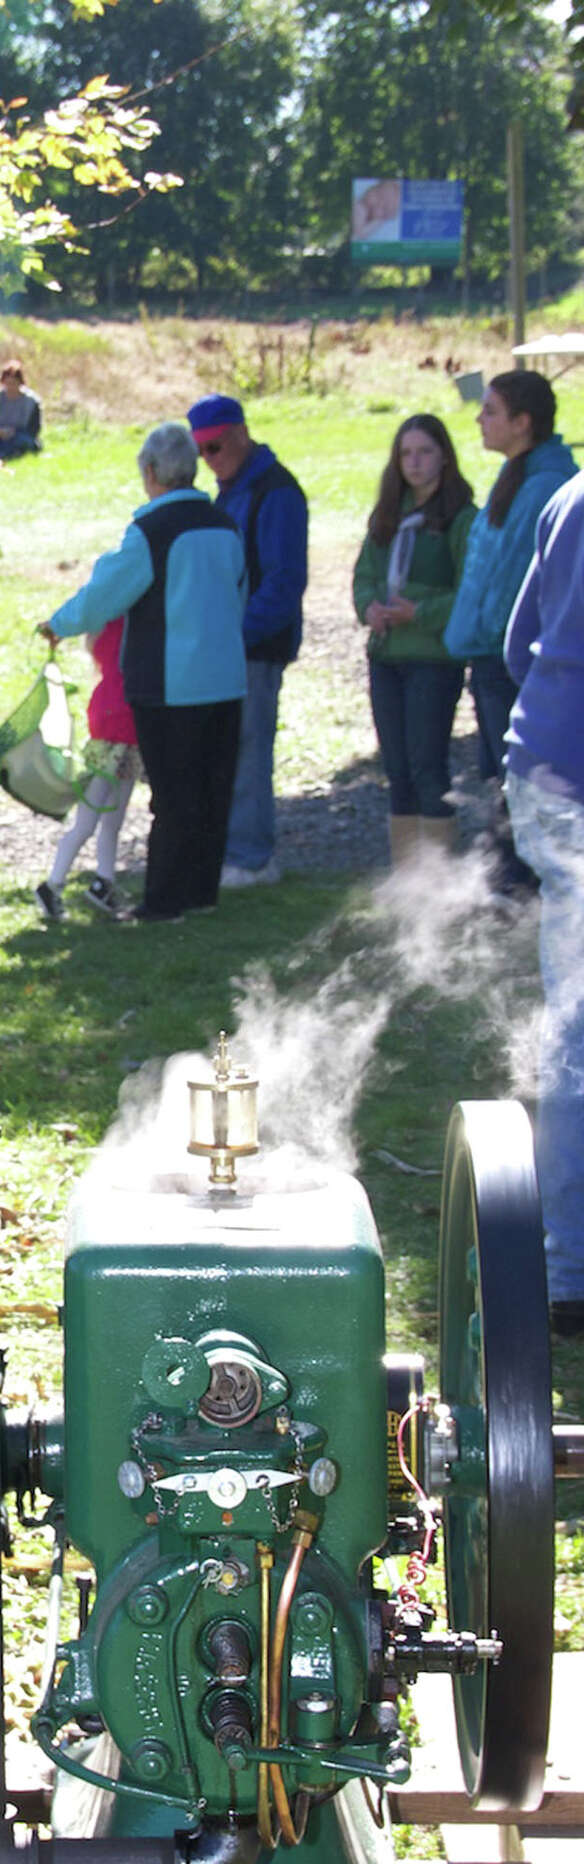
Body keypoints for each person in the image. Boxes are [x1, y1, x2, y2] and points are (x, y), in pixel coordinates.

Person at [41, 422, 246, 921]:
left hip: (171, 683)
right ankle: (201, 893)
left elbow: (103, 595)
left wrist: (59, 624)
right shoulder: (224, 525)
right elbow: (240, 589)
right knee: (210, 791)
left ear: (150, 473)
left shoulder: (150, 532)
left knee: (173, 798)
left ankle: (164, 901)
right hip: (224, 678)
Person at [444, 370, 577, 894]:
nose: (480, 417)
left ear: (523, 423)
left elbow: (514, 587)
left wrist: (492, 641)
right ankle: (507, 882)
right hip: (492, 654)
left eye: (492, 410)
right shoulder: (518, 477)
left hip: (509, 660)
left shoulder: (546, 487)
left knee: (517, 782)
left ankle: (516, 886)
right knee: (505, 779)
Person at [504, 470, 584, 1336]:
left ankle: (567, 1265)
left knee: (575, 1019)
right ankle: (568, 1265)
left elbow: (514, 642)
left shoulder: (568, 494)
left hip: (549, 764)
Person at [186, 393, 307, 889]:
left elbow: (283, 582)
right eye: (201, 452)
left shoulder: (275, 491)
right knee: (226, 750)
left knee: (250, 751)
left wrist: (234, 637)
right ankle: (231, 852)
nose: (209, 461)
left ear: (240, 434)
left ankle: (253, 859)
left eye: (215, 448)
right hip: (227, 647)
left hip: (254, 648)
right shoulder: (231, 487)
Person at [352, 415, 475, 865]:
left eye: (424, 452)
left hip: (432, 660)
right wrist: (370, 607)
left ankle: (440, 876)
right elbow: (364, 574)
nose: (415, 463)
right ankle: (407, 877)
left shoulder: (462, 518)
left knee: (428, 766)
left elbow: (469, 594)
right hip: (386, 658)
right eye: (406, 453)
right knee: (397, 769)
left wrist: (418, 610)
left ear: (444, 454)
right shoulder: (388, 515)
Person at [34, 616, 141, 921]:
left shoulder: (107, 624)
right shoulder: (125, 622)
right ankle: (52, 884)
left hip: (119, 724)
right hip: (119, 725)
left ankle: (103, 882)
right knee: (90, 818)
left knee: (109, 816)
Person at [0, 360, 42, 461]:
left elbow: (34, 430)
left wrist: (13, 432)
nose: (10, 387)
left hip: (20, 437)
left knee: (23, 442)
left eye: (13, 383)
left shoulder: (32, 401)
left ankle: (3, 453)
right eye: (8, 383)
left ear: (20, 383)